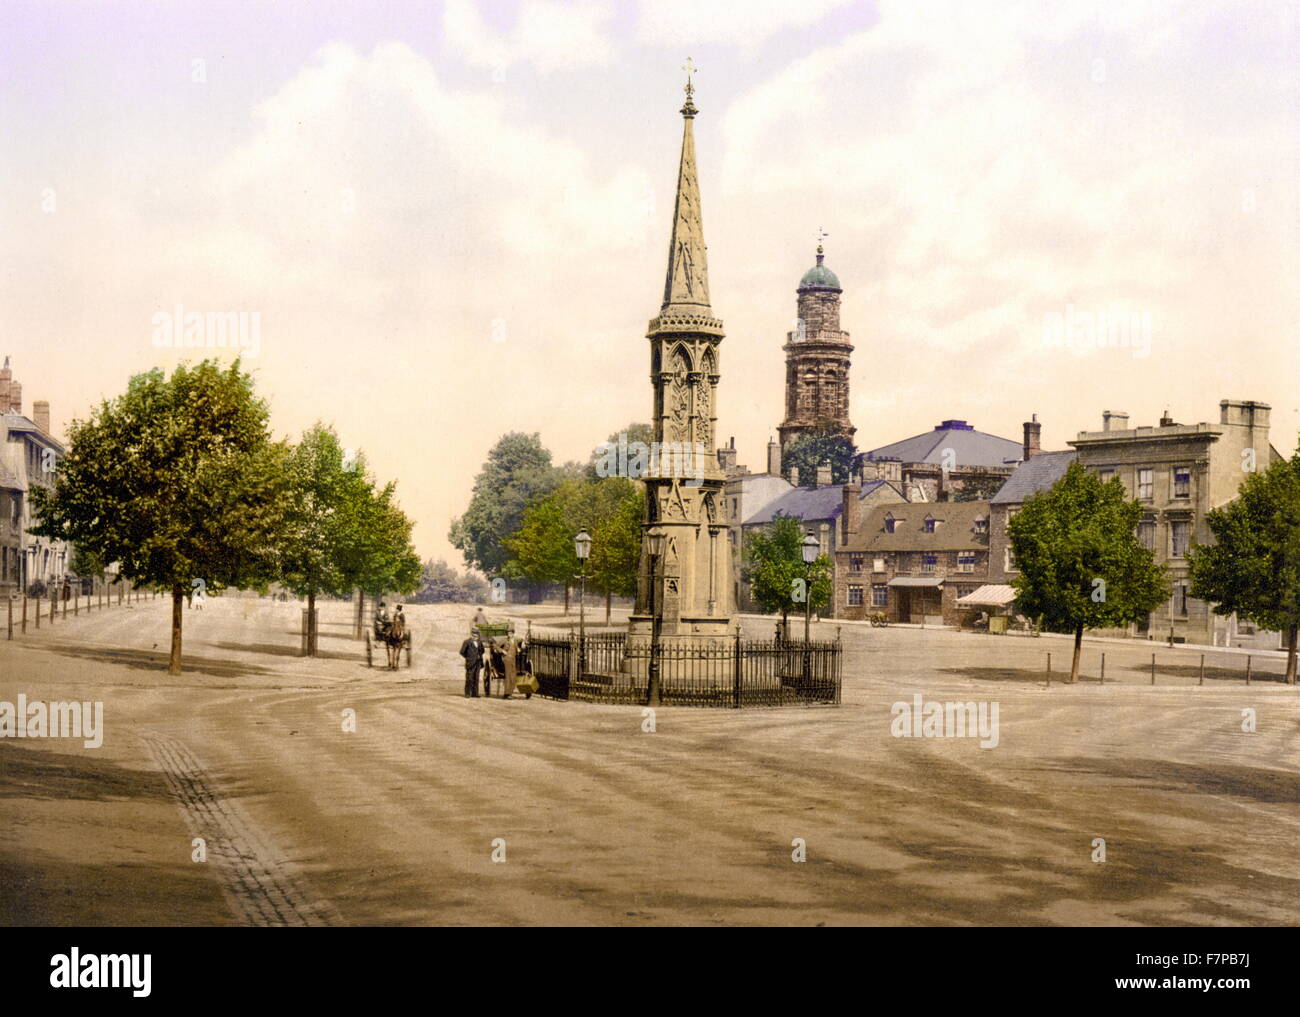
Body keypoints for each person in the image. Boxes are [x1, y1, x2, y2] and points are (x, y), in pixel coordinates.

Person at [459, 629, 484, 698]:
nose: (475, 637)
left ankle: (475, 693)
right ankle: (467, 693)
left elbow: (482, 650)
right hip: (470, 663)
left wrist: (479, 655)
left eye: (476, 636)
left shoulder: (479, 642)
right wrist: (468, 658)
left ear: (478, 636)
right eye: (473, 635)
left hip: (478, 663)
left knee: (476, 678)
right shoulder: (467, 642)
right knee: (469, 678)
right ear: (471, 635)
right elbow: (462, 652)